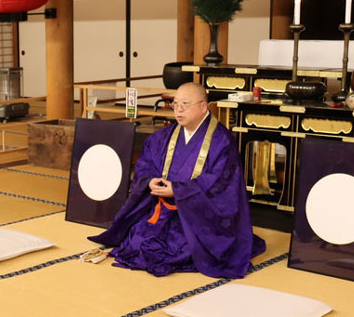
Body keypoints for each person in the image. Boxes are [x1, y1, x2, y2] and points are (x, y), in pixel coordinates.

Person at [89, 82, 265, 278]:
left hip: (198, 216)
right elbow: (146, 163)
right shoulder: (164, 137)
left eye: (185, 104)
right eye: (175, 104)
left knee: (181, 250)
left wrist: (179, 190)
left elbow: (221, 184)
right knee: (138, 241)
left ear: (203, 107)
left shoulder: (221, 141)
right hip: (163, 208)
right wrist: (149, 181)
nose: (178, 110)